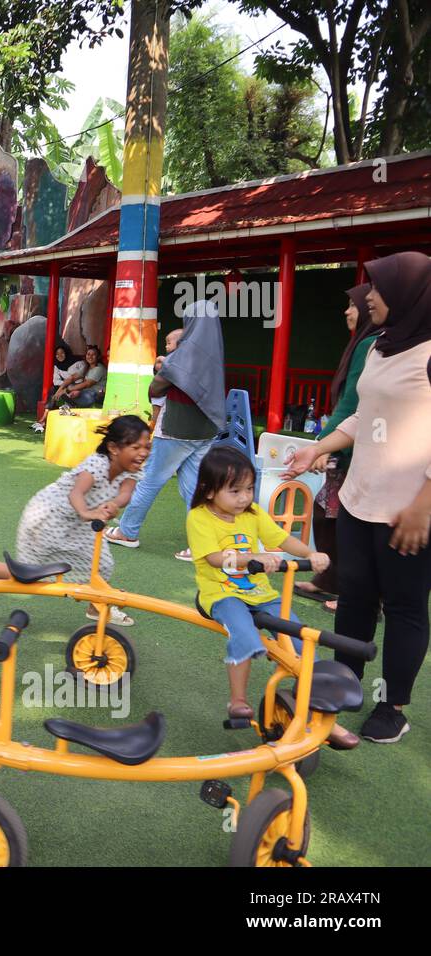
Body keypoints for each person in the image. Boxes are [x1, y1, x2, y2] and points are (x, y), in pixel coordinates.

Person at [283, 251, 431, 744]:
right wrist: (314, 450)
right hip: (359, 497)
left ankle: (394, 706)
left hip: (409, 510)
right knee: (355, 597)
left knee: (406, 607)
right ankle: (342, 685)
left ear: (410, 295)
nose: (368, 297)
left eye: (379, 288)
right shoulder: (377, 347)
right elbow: (362, 416)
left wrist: (424, 502)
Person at [185, 447, 357, 747]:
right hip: (222, 594)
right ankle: (237, 700)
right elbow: (213, 558)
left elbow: (282, 538)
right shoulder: (199, 518)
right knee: (243, 633)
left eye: (249, 489)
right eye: (235, 490)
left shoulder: (252, 514)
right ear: (209, 491)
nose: (244, 498)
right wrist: (253, 557)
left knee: (303, 641)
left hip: (261, 595)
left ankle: (319, 714)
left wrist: (311, 553)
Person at [0, 415, 151, 627]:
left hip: (78, 524)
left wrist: (114, 504)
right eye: (135, 447)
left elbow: (126, 492)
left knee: (102, 564)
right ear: (114, 448)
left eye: (146, 446)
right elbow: (76, 493)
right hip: (49, 517)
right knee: (28, 573)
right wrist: (87, 513)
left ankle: (95, 607)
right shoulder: (97, 464)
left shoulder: (132, 469)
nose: (143, 453)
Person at [106, 299, 226, 560]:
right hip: (204, 430)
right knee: (196, 487)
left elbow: (155, 388)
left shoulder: (186, 352)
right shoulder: (215, 352)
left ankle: (127, 531)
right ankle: (203, 544)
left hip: (176, 428)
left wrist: (164, 370)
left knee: (150, 479)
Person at [291, 285, 379, 613]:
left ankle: (361, 595)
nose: (348, 311)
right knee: (327, 514)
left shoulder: (372, 344)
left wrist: (323, 446)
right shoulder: (366, 342)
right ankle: (331, 582)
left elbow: (353, 405)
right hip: (352, 444)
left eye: (354, 305)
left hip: (359, 450)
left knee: (345, 520)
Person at [32, 341, 82, 431]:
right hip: (64, 387)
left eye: (62, 353)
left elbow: (80, 379)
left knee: (56, 392)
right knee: (53, 390)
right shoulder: (57, 365)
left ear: (66, 353)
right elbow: (55, 381)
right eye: (57, 354)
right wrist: (65, 384)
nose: (60, 355)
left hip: (76, 387)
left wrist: (67, 383)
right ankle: (43, 419)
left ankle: (43, 420)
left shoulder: (77, 363)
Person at [149, 328, 184, 429]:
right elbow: (159, 369)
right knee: (156, 410)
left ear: (179, 343)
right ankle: (153, 425)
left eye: (169, 343)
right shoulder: (170, 357)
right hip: (159, 392)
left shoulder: (177, 357)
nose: (166, 346)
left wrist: (163, 361)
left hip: (164, 393)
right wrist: (158, 363)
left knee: (159, 411)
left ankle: (154, 425)